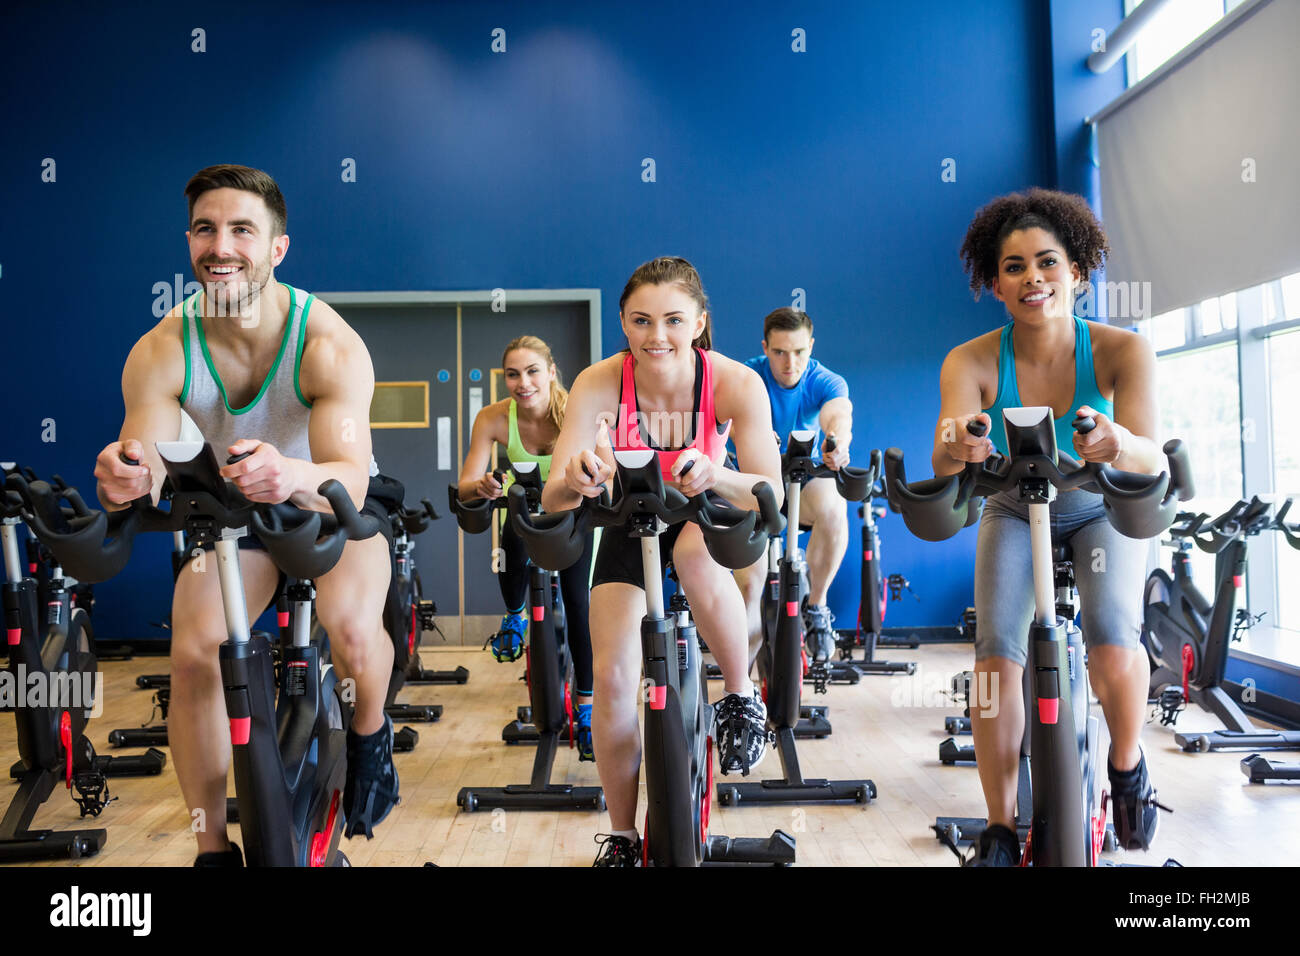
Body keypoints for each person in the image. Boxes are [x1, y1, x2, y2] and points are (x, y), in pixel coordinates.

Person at [93, 164, 398, 865]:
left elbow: (347, 473)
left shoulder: (329, 344)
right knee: (195, 655)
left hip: (326, 496)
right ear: (189, 241)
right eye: (205, 228)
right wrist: (126, 476)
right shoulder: (163, 348)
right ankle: (209, 847)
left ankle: (372, 736)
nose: (220, 245)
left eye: (241, 230)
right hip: (235, 502)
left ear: (277, 249)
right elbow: (150, 454)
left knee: (351, 628)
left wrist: (291, 473)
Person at [932, 188, 1163, 865]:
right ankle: (1000, 827)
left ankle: (1126, 766)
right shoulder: (971, 359)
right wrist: (965, 443)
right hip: (1012, 506)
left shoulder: (1123, 349)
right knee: (996, 660)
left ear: (1079, 271)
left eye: (1047, 262)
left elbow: (1151, 452)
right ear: (994, 282)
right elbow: (944, 448)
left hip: (1102, 505)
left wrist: (1116, 440)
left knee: (1112, 641)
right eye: (1013, 267)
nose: (1032, 277)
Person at [542, 256, 784, 866]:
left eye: (674, 320)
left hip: (706, 516)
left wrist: (717, 473)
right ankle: (622, 835)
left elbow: (771, 491)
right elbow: (554, 495)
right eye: (642, 321)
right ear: (623, 322)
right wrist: (579, 475)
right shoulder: (601, 381)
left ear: (699, 321)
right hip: (630, 522)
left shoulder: (733, 382)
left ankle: (739, 694)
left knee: (693, 553)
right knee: (614, 680)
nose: (657, 336)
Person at [456, 336, 596, 759]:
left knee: (578, 607)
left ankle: (586, 710)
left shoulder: (576, 411)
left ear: (551, 372)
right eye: (513, 374)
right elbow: (466, 483)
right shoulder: (494, 418)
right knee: (514, 519)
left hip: (575, 517)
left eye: (533, 371)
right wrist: (481, 486)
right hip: (524, 520)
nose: (523, 382)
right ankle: (515, 615)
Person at [736, 308, 853, 666]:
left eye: (800, 352)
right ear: (765, 348)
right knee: (750, 586)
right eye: (780, 352)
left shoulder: (824, 380)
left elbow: (838, 414)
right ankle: (744, 679)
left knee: (835, 509)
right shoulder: (746, 377)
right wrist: (751, 434)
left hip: (803, 481)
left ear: (811, 347)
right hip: (755, 481)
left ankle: (816, 605)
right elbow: (727, 417)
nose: (791, 362)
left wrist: (837, 441)